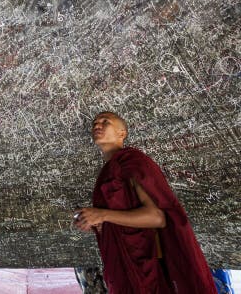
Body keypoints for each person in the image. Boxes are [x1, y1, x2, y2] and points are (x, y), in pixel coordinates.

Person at [74, 111, 216, 294]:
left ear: (121, 133)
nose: (97, 125)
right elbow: (118, 218)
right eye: (95, 123)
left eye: (105, 122)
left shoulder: (133, 163)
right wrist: (97, 222)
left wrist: (102, 214)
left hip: (147, 264)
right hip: (122, 265)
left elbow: (157, 217)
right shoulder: (108, 172)